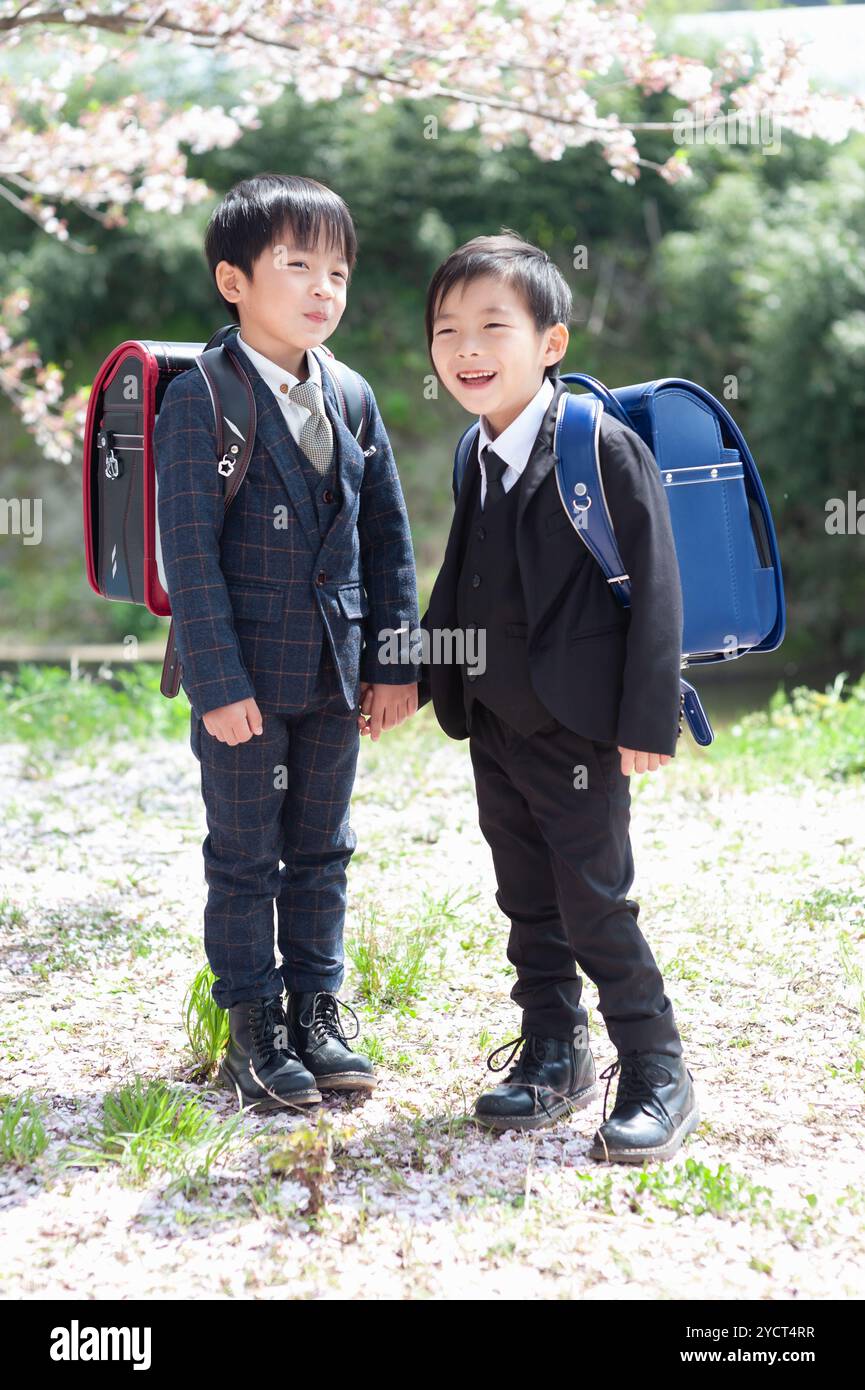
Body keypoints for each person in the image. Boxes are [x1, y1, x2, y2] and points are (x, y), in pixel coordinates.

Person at [410, 230, 700, 1162]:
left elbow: (657, 588)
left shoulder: (596, 446)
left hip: (577, 726)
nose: (468, 349)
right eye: (448, 329)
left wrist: (646, 717)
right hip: (493, 721)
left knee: (593, 899)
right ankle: (551, 1047)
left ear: (551, 342)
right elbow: (456, 582)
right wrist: (414, 680)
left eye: (495, 325)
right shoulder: (473, 453)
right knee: (524, 895)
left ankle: (655, 1064)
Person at [154, 173, 419, 1111]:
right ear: (234, 280)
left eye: (337, 271)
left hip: (337, 673)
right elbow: (189, 556)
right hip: (244, 685)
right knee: (243, 854)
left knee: (323, 846)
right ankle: (253, 1024)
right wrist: (217, 685)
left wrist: (396, 664)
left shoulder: (350, 393)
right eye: (297, 265)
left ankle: (317, 1007)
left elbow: (387, 540)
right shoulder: (203, 399)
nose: (322, 290)